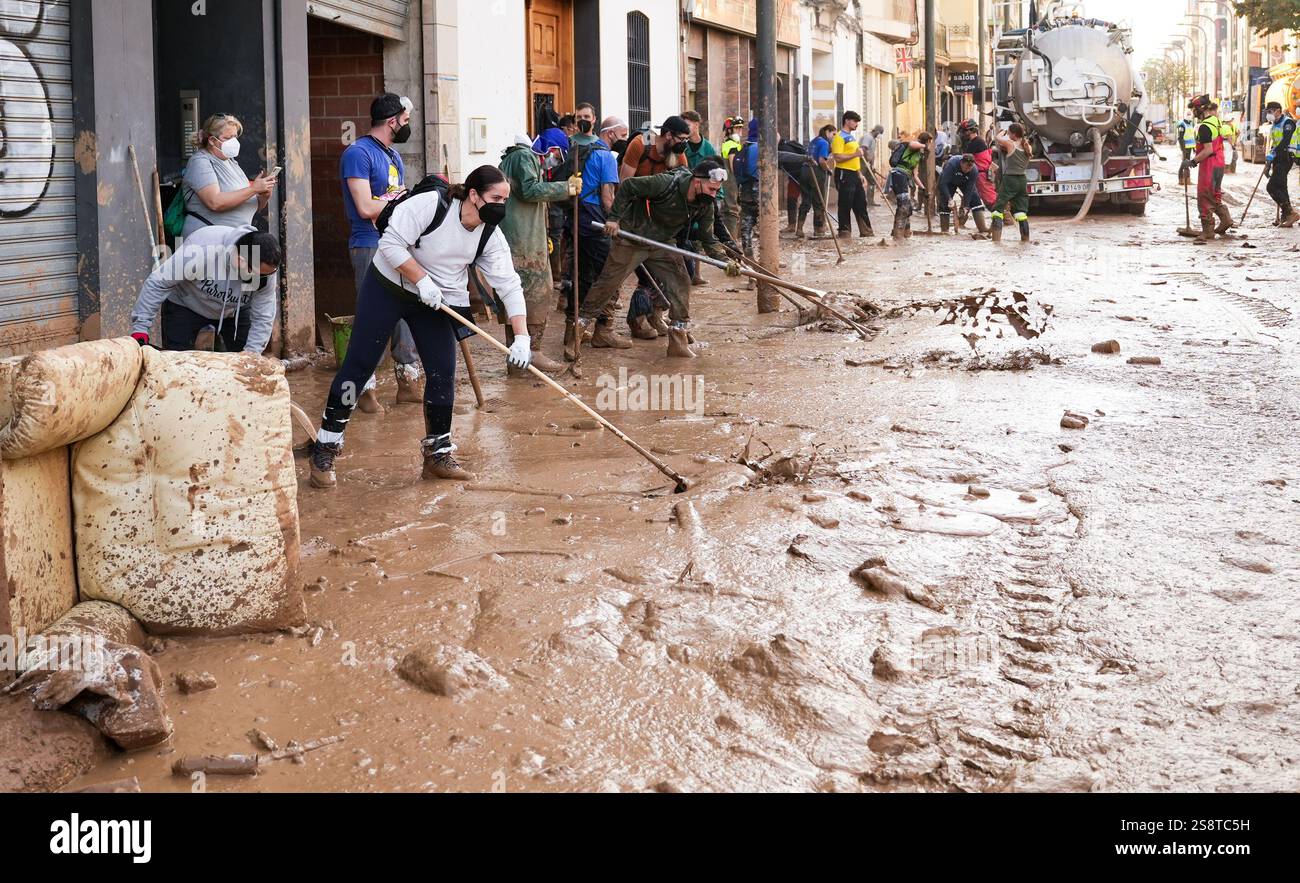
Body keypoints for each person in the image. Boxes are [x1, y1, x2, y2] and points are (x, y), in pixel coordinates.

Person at [310, 166, 530, 489]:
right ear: (473, 195)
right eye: (496, 198)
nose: (502, 206)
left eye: (505, 199)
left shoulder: (489, 234)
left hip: (436, 300)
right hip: (389, 285)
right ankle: (325, 447)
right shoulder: (431, 204)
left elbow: (509, 285)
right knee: (359, 366)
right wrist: (421, 279)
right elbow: (390, 245)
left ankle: (437, 455)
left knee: (442, 372)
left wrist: (522, 336)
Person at [570, 160, 739, 360]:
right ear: (696, 182)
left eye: (716, 190)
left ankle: (678, 341)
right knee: (607, 284)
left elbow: (708, 239)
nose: (713, 194)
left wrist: (724, 261)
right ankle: (574, 335)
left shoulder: (705, 204)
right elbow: (628, 186)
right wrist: (614, 218)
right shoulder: (666, 183)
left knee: (681, 283)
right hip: (632, 237)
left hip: (662, 243)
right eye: (711, 189)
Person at [341, 93, 423, 411]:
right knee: (372, 317)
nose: (407, 126)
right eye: (404, 121)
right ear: (392, 121)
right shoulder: (358, 153)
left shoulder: (393, 156)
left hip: (396, 241)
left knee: (406, 312)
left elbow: (393, 202)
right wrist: (399, 202)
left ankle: (409, 381)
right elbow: (364, 207)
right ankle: (363, 390)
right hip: (368, 243)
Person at [498, 135, 581, 375]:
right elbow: (529, 190)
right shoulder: (524, 156)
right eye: (557, 156)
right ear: (550, 148)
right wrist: (566, 187)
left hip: (524, 237)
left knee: (515, 294)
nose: (555, 162)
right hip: (522, 242)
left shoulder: (516, 158)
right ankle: (531, 352)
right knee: (535, 291)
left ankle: (517, 357)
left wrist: (543, 236)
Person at [130, 226, 280, 353]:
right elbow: (158, 283)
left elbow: (263, 314)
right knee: (178, 368)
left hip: (234, 311)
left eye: (264, 275)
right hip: (186, 304)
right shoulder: (203, 250)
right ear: (240, 259)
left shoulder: (264, 269)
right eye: (255, 273)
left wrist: (252, 354)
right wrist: (140, 328)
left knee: (245, 366)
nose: (259, 278)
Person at [571, 117, 629, 342]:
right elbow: (607, 197)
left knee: (583, 274)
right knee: (610, 274)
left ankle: (575, 330)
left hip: (577, 217)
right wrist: (617, 221)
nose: (624, 139)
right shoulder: (605, 156)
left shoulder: (579, 150)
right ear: (611, 134)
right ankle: (604, 331)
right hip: (595, 218)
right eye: (623, 135)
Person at [181, 113, 276, 239]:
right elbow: (215, 202)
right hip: (208, 240)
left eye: (235, 137)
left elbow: (249, 203)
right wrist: (253, 189)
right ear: (212, 140)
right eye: (227, 138)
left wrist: (263, 196)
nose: (233, 142)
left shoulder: (231, 161)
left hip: (236, 237)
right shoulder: (200, 161)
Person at [1186, 95, 1233, 243]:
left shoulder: (1204, 127)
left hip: (1210, 164)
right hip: (1219, 162)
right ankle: (1226, 220)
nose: (1193, 112)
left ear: (1200, 109)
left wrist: (1192, 161)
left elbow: (1207, 150)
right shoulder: (1216, 121)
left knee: (1204, 195)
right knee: (1214, 193)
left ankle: (1207, 232)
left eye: (1194, 109)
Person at [830, 111, 874, 238]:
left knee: (861, 203)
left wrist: (860, 173)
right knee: (845, 203)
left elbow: (854, 159)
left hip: (854, 173)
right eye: (855, 121)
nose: (856, 124)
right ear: (847, 121)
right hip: (844, 173)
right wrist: (854, 154)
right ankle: (844, 233)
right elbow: (837, 157)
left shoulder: (851, 137)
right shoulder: (839, 137)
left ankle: (866, 232)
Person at [990, 123, 1031, 243]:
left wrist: (1002, 132)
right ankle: (1025, 241)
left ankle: (996, 241)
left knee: (998, 209)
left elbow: (997, 138)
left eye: (1009, 133)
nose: (1008, 135)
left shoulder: (1010, 144)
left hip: (1010, 179)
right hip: (1022, 180)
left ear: (1013, 134)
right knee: (1021, 212)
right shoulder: (1027, 146)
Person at [885, 132, 931, 238]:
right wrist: (925, 146)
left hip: (904, 177)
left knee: (908, 207)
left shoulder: (918, 154)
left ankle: (906, 232)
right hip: (898, 175)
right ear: (927, 141)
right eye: (930, 142)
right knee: (904, 205)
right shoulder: (914, 146)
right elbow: (911, 144)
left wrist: (923, 189)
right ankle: (898, 234)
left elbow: (915, 176)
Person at [621, 115, 691, 180]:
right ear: (668, 135)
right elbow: (624, 182)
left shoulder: (676, 153)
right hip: (634, 191)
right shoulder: (640, 144)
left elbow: (684, 182)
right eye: (681, 139)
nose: (683, 143)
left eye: (686, 139)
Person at [796, 124, 836, 237]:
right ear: (828, 132)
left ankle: (799, 229)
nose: (833, 137)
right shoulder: (824, 142)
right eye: (833, 134)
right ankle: (819, 230)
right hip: (815, 172)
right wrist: (828, 170)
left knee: (806, 201)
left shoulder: (814, 141)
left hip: (804, 171)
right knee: (818, 201)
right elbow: (821, 161)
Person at [1264, 101, 1299, 228]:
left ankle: (1290, 213)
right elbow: (1275, 143)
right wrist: (1269, 163)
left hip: (1286, 158)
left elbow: (1285, 142)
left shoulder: (1288, 123)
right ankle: (1287, 217)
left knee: (1271, 187)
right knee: (1282, 187)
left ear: (1278, 111)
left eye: (1270, 111)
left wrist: (1273, 154)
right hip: (1278, 159)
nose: (1268, 114)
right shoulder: (1274, 125)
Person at [937, 153, 988, 234]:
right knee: (944, 203)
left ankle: (982, 228)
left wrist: (966, 206)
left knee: (975, 200)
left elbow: (969, 189)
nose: (967, 170)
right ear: (961, 163)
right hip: (949, 181)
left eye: (969, 168)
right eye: (966, 168)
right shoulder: (951, 164)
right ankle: (944, 231)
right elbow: (943, 184)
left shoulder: (974, 170)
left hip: (964, 182)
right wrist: (949, 199)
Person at [957, 119, 997, 214]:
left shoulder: (976, 142)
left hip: (981, 175)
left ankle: (1001, 220)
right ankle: (961, 222)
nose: (963, 133)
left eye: (964, 131)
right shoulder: (976, 141)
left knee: (990, 200)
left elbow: (965, 157)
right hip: (978, 174)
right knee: (968, 197)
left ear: (971, 130)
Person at [735, 119, 761, 256]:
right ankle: (767, 256)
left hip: (744, 190)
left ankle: (748, 255)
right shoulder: (760, 147)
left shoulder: (745, 146)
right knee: (765, 224)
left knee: (747, 224)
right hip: (758, 191)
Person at [718, 117, 745, 240]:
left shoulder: (729, 142)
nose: (740, 131)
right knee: (732, 210)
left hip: (728, 179)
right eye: (737, 128)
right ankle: (732, 241)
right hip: (731, 179)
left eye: (741, 128)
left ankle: (730, 238)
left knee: (730, 209)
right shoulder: (732, 144)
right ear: (730, 130)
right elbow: (734, 166)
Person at [1176, 112, 1196, 186]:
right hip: (1185, 147)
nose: (1189, 116)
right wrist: (1183, 149)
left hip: (1190, 147)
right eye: (1188, 114)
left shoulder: (1190, 124)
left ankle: (1187, 180)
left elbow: (1191, 137)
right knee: (1184, 163)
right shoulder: (1182, 124)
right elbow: (1180, 138)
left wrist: (1194, 147)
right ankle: (1181, 180)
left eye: (1190, 114)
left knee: (1187, 163)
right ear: (1185, 116)